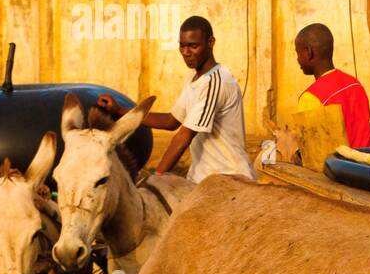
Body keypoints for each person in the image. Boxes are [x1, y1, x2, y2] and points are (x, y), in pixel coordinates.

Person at [97, 15, 256, 183]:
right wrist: (120, 110)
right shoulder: (194, 77)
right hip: (201, 179)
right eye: (182, 46)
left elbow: (184, 135)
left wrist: (156, 178)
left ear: (210, 42)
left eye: (193, 46)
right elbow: (171, 121)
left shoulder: (216, 82)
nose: (186, 53)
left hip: (229, 179)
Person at [293, 23, 370, 147]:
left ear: (309, 52)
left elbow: (311, 153)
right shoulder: (355, 84)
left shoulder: (311, 97)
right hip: (366, 164)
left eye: (298, 53)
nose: (297, 59)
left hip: (337, 166)